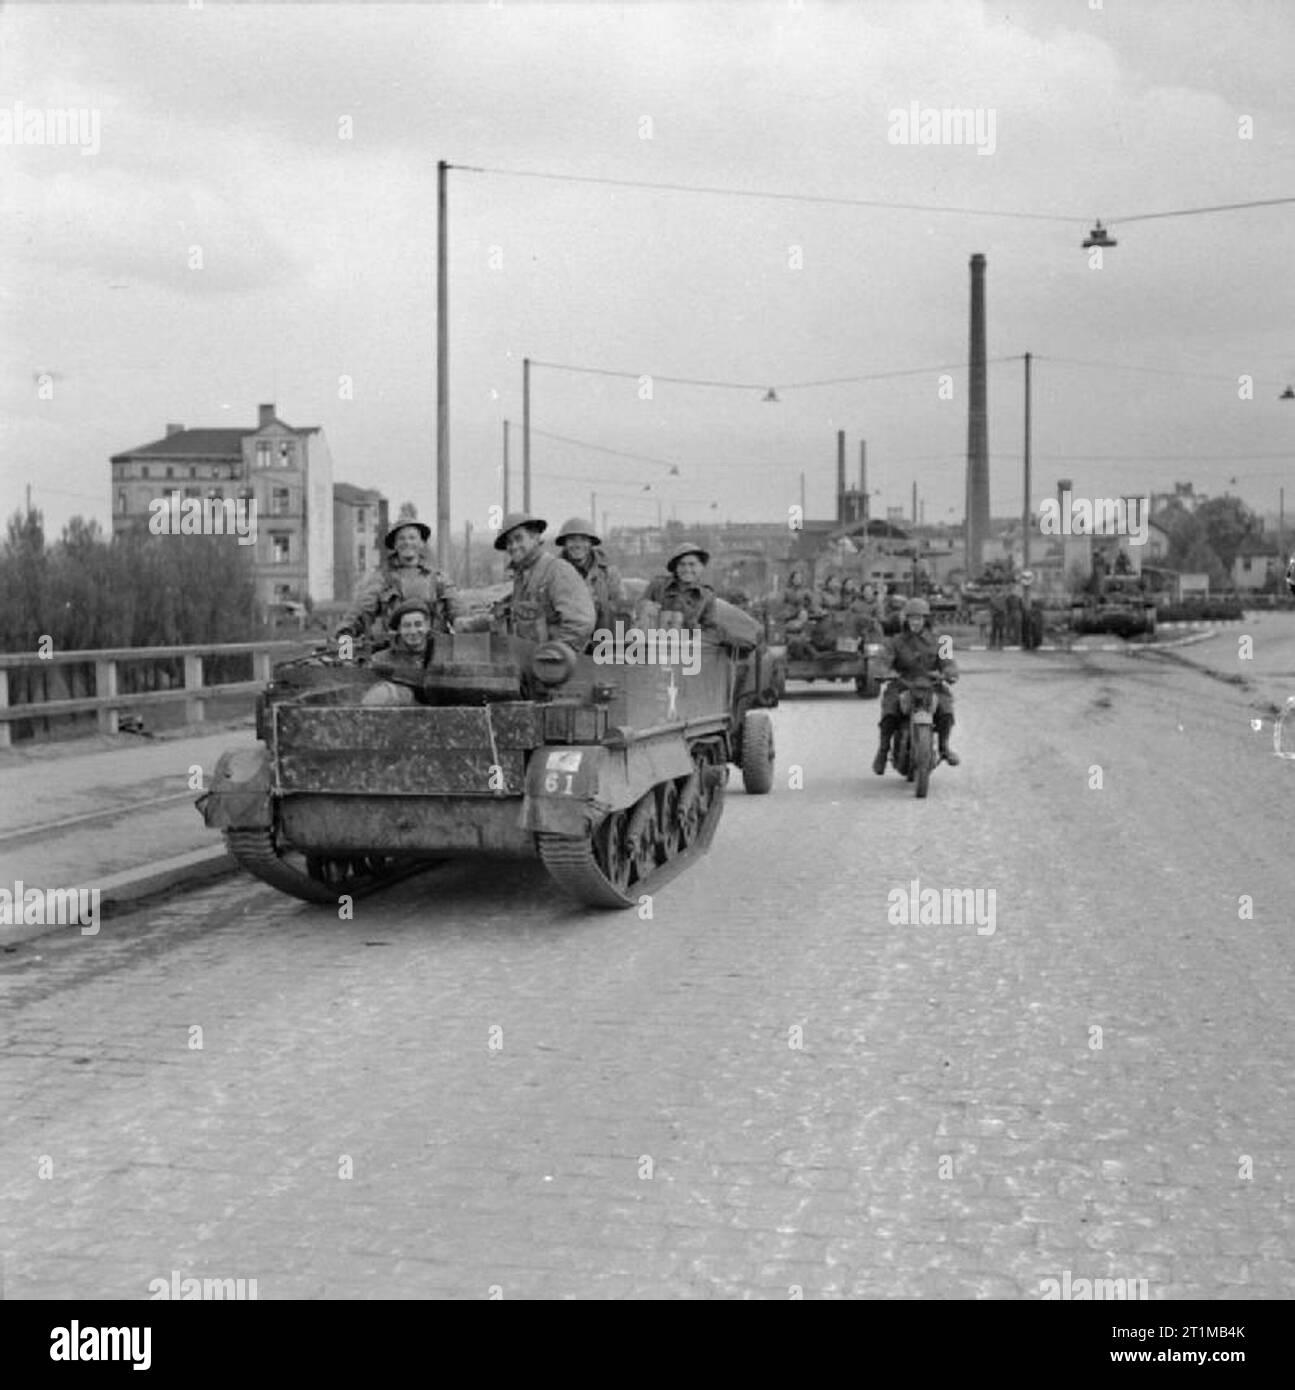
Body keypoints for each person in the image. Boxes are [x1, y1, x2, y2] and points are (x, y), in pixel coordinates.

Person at [872, 597, 960, 773]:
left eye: (919, 618)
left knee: (946, 711)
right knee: (889, 711)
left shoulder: (942, 640)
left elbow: (949, 662)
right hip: (903, 683)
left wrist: (949, 673)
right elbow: (883, 660)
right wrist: (882, 671)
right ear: (906, 620)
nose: (915, 622)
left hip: (931, 683)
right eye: (911, 618)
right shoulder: (894, 641)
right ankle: (883, 751)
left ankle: (944, 747)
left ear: (926, 619)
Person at [337, 517, 459, 643]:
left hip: (436, 652)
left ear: (422, 543)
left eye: (412, 538)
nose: (407, 542)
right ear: (395, 545)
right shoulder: (382, 580)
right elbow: (356, 617)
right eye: (401, 538)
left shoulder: (439, 579)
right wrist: (344, 653)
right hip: (394, 653)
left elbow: (459, 615)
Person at [494, 511, 596, 651]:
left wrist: (554, 656)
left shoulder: (557, 571)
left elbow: (581, 622)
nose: (513, 546)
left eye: (518, 539)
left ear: (535, 538)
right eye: (509, 542)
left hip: (555, 666)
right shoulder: (522, 576)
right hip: (531, 661)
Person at [555, 517, 626, 640]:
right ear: (565, 544)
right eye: (572, 540)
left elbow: (621, 607)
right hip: (568, 638)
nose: (577, 545)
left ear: (591, 543)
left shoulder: (609, 572)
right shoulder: (554, 571)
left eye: (583, 540)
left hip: (603, 638)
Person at [361, 599, 433, 706]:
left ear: (428, 626)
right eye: (407, 626)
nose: (413, 631)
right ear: (399, 629)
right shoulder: (382, 660)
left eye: (418, 624)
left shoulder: (440, 654)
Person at [639, 543, 720, 631]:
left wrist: (694, 629)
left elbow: (710, 629)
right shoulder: (657, 585)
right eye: (682, 564)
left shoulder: (707, 595)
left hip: (688, 642)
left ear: (701, 567)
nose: (687, 569)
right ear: (675, 567)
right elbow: (639, 612)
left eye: (692, 564)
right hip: (655, 641)